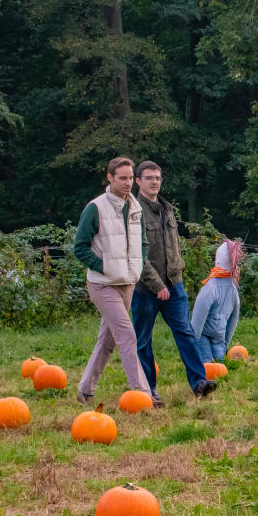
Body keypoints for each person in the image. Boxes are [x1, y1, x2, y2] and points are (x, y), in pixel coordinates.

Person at [131, 161, 217, 404]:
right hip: (145, 288)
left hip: (173, 283)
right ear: (138, 181)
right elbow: (137, 255)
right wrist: (156, 285)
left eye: (157, 177)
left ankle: (199, 383)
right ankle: (149, 391)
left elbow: (172, 246)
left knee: (186, 332)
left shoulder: (166, 209)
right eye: (149, 178)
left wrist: (175, 274)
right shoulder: (134, 212)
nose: (154, 182)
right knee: (143, 339)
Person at [72, 157, 151, 403]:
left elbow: (143, 243)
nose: (128, 183)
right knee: (127, 334)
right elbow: (80, 247)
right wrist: (103, 266)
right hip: (102, 284)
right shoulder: (95, 208)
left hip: (127, 283)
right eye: (123, 178)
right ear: (110, 178)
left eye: (130, 178)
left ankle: (85, 391)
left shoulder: (136, 207)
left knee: (107, 340)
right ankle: (142, 394)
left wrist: (137, 265)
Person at [191, 240, 242, 364]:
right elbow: (234, 318)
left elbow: (198, 318)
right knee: (215, 365)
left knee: (212, 366)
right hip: (215, 335)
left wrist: (191, 343)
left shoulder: (210, 287)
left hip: (210, 336)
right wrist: (225, 341)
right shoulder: (232, 287)